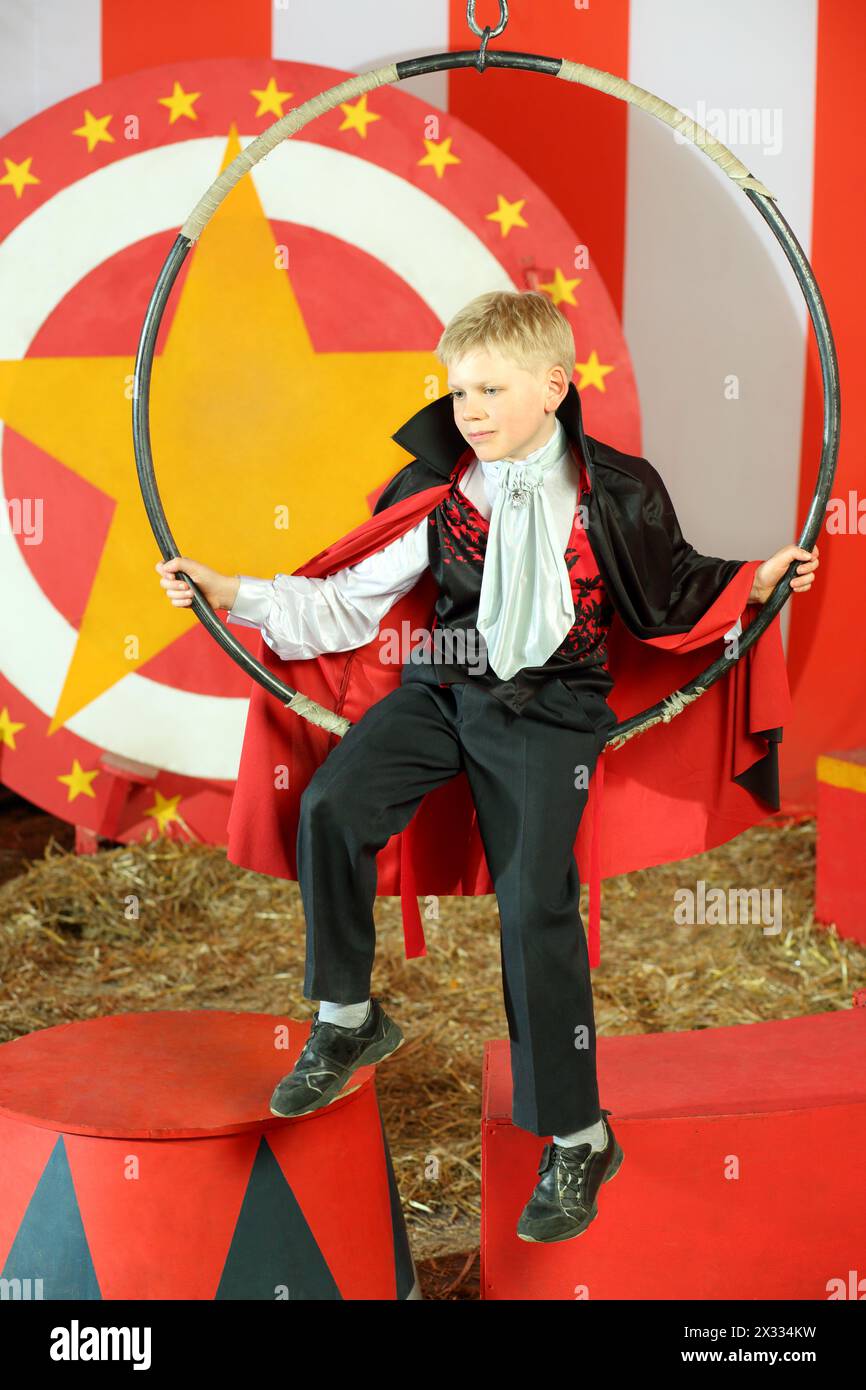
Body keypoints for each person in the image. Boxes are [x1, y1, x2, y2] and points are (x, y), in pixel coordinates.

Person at [156, 290, 817, 1243]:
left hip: (553, 710)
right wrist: (232, 591)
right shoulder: (438, 491)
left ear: (553, 388)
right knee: (335, 806)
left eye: (489, 389)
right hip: (446, 685)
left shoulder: (616, 488)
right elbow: (345, 603)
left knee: (534, 903)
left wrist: (758, 579)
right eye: (456, 389)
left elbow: (674, 589)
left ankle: (579, 1135)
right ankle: (346, 1017)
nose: (467, 409)